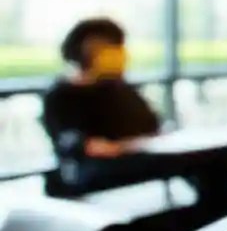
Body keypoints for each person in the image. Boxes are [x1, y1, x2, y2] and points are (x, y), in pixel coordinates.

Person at [41, 18, 163, 194]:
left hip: (134, 162)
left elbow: (153, 127)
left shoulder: (119, 89)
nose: (122, 55)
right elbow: (74, 143)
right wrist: (110, 147)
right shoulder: (60, 95)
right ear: (88, 52)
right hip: (94, 173)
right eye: (113, 48)